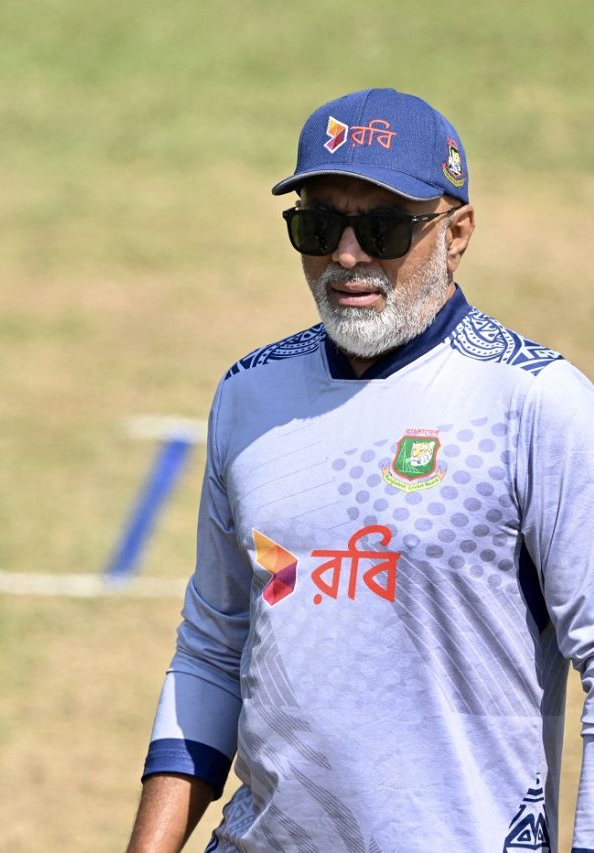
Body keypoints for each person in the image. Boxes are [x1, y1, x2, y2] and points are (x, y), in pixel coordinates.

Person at [126, 88, 594, 852]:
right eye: (318, 226)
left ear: (457, 232)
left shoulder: (535, 404)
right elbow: (212, 648)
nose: (346, 256)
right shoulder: (250, 395)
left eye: (382, 227)